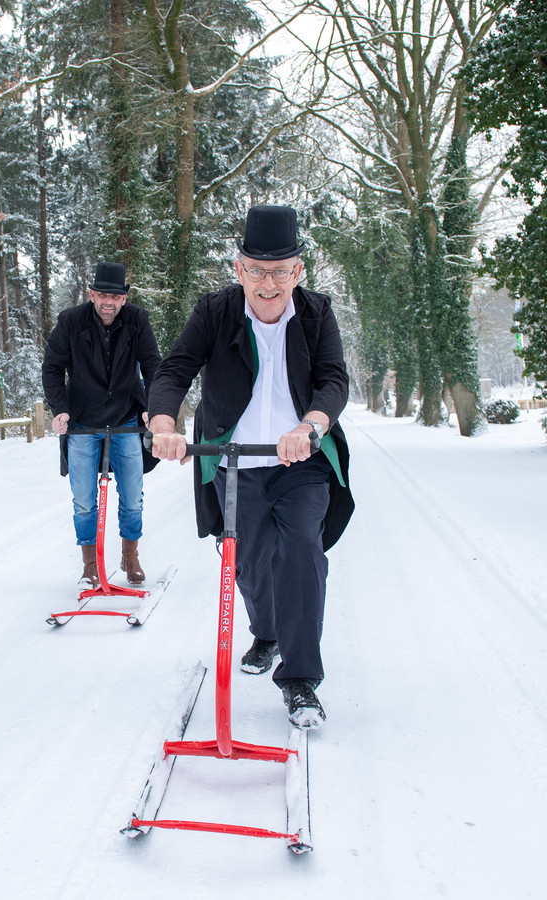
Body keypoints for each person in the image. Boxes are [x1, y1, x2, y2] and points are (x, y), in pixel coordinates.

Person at [146, 206, 353, 729]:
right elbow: (176, 368)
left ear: (298, 272)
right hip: (234, 461)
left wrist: (308, 426)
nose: (268, 283)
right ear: (238, 269)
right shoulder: (214, 312)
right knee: (251, 563)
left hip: (300, 458)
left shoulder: (316, 313)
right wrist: (165, 422)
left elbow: (333, 380)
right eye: (257, 270)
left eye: (280, 271)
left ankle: (301, 678)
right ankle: (267, 632)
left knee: (302, 548)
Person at [43, 261, 163, 587]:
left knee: (133, 495)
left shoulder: (137, 321)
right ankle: (90, 565)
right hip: (82, 421)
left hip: (125, 418)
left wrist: (154, 409)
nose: (108, 302)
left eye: (115, 297)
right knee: (83, 498)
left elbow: (154, 366)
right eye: (102, 295)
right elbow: (52, 368)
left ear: (124, 299)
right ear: (92, 294)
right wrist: (60, 409)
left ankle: (130, 557)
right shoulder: (70, 322)